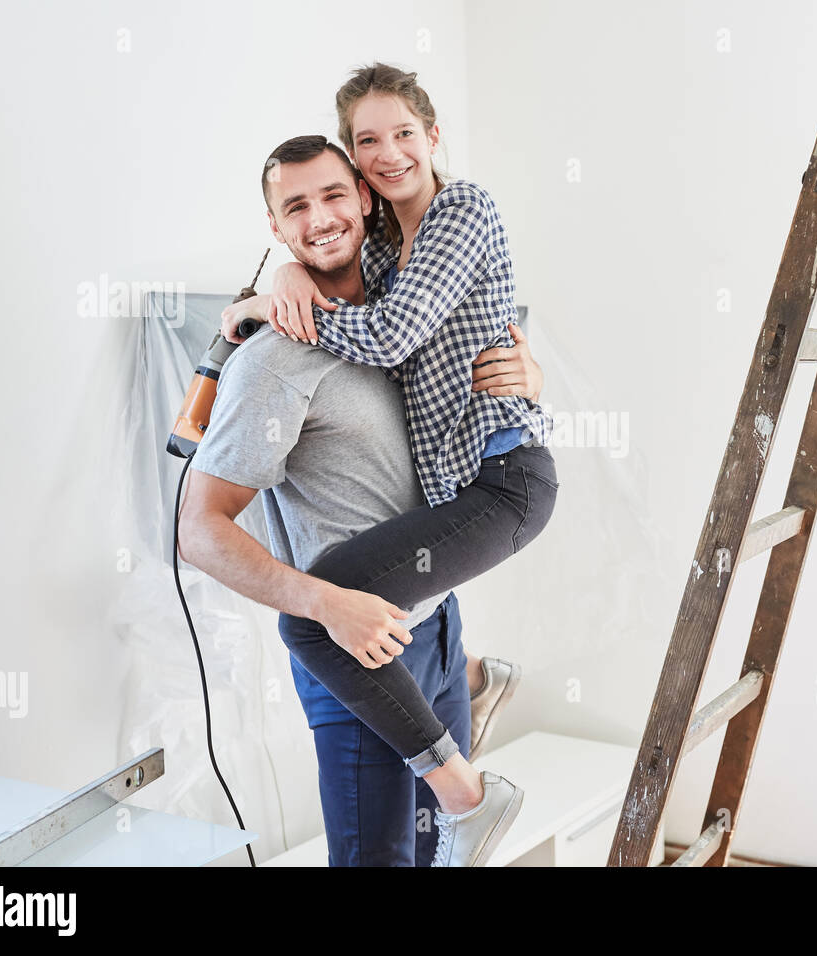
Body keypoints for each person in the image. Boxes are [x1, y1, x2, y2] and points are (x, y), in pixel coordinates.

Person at [219, 63, 558, 866]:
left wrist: (281, 307)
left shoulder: (460, 209)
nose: (390, 151)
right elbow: (322, 253)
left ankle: (473, 795)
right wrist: (283, 282)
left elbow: (394, 338)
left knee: (314, 616)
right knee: (330, 606)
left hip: (506, 478)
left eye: (405, 133)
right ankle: (475, 680)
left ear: (434, 136)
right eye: (368, 141)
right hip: (448, 541)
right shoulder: (378, 256)